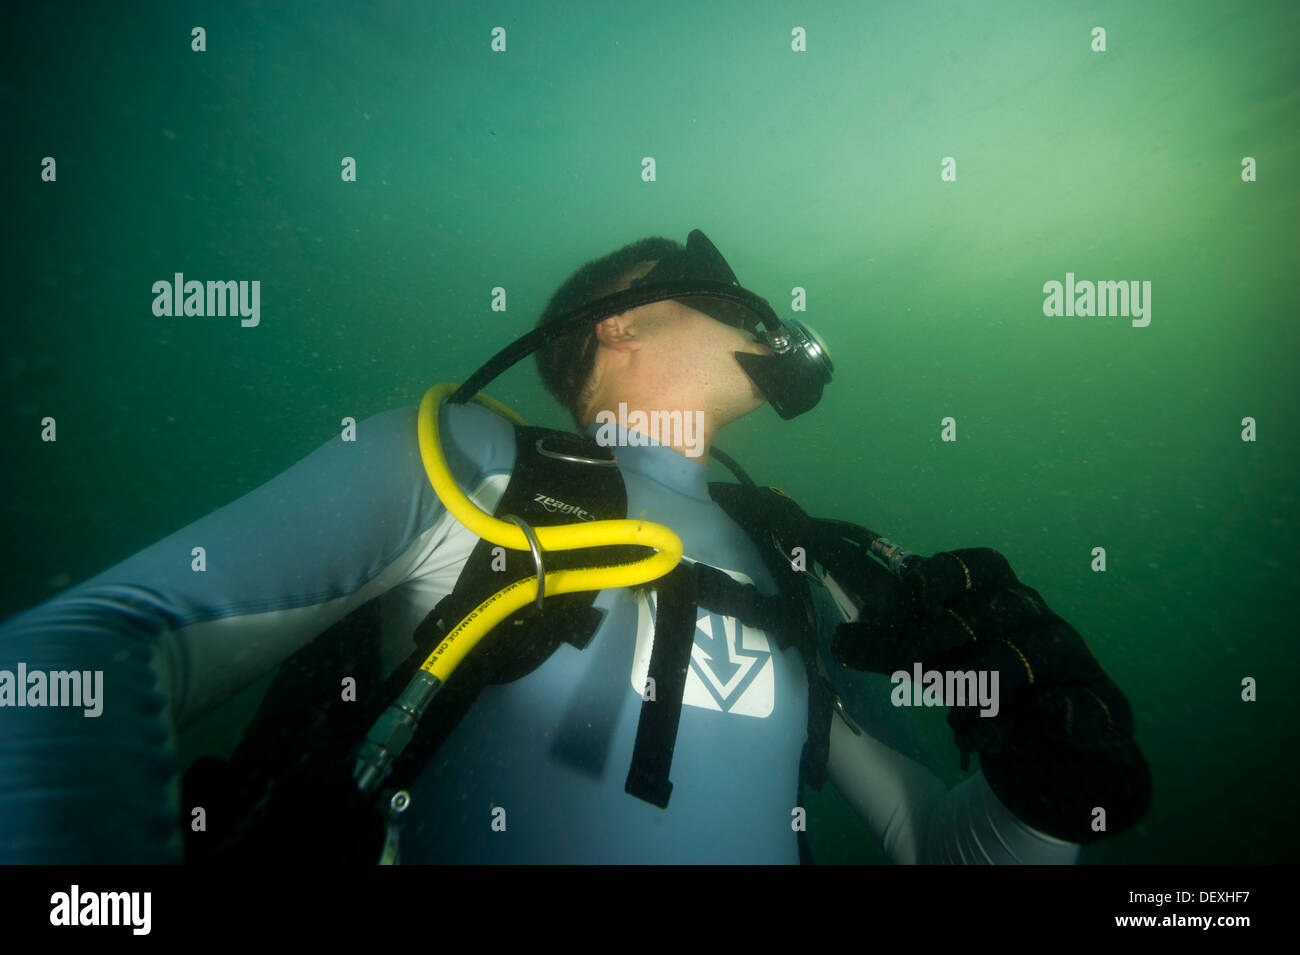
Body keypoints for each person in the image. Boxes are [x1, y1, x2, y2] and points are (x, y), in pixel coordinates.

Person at [0, 229, 1149, 864]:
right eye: (718, 291)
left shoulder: (791, 561)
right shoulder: (473, 466)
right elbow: (86, 649)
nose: (756, 309)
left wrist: (1046, 788)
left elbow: (931, 846)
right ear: (618, 322)